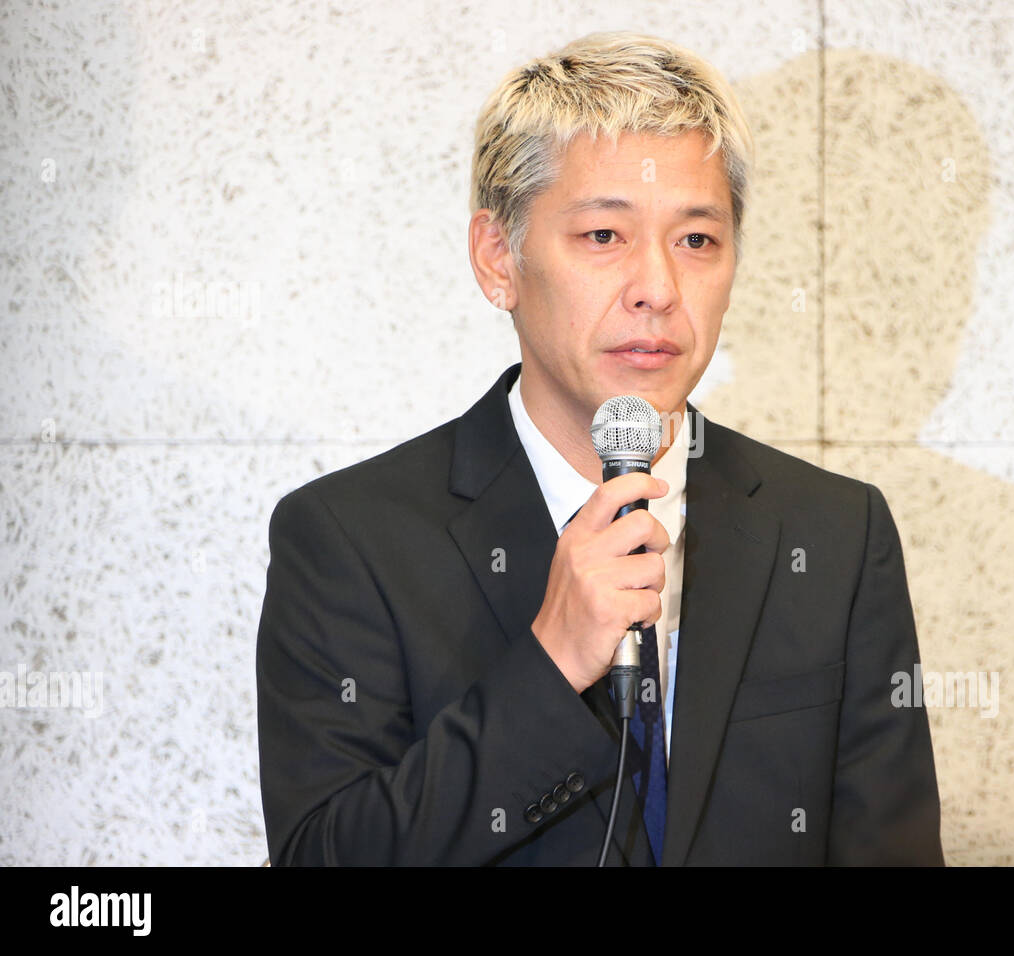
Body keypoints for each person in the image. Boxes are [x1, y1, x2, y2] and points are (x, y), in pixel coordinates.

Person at [256, 31, 943, 866]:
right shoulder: (347, 538)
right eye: (603, 237)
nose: (657, 289)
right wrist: (549, 666)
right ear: (498, 258)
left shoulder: (835, 534)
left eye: (696, 240)